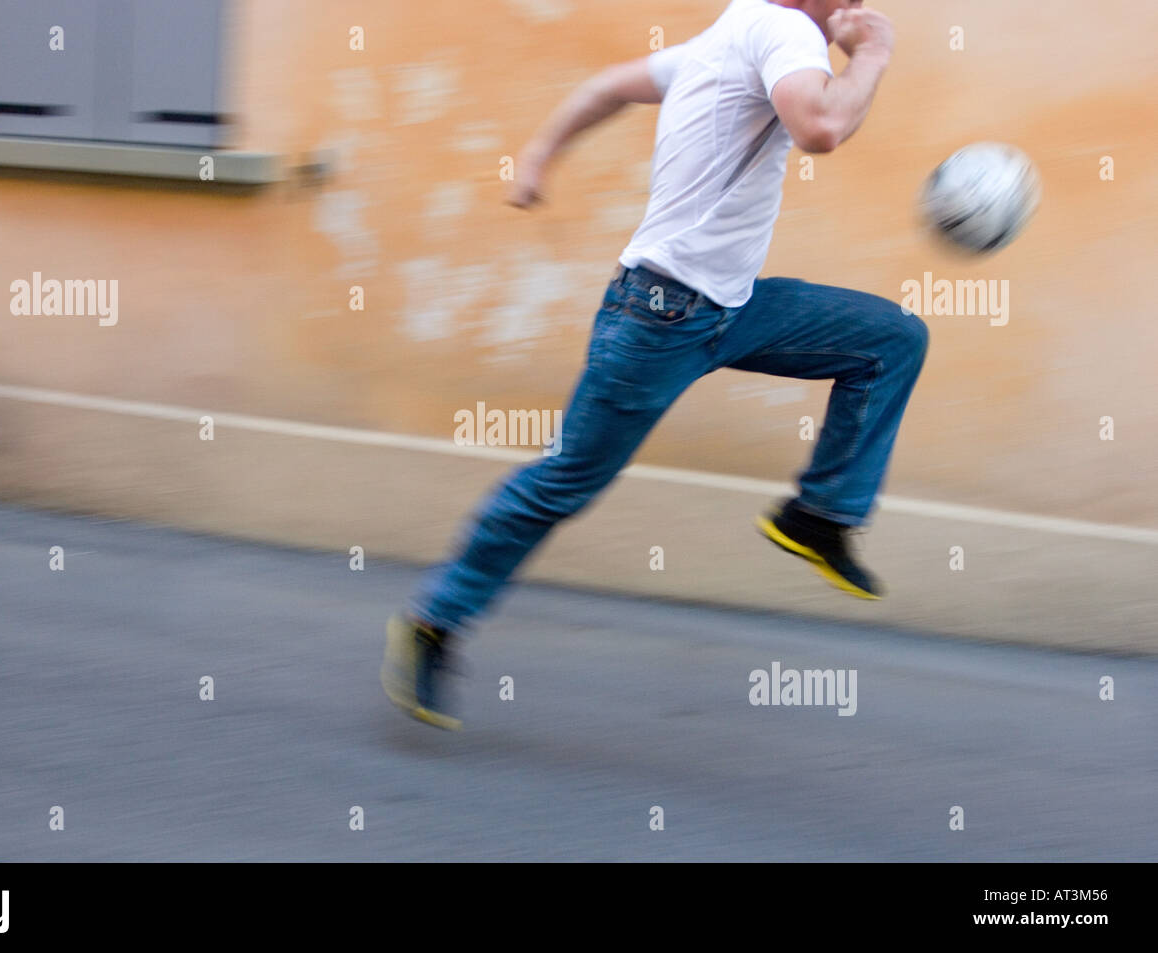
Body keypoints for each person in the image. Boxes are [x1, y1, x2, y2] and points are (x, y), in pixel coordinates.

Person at [383, 0, 928, 730]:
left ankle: (820, 515)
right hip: (660, 319)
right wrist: (873, 55)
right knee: (563, 483)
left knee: (891, 338)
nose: (860, 5)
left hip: (726, 309)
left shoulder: (726, 37)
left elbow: (607, 85)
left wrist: (540, 157)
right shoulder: (782, 29)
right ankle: (434, 620)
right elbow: (820, 128)